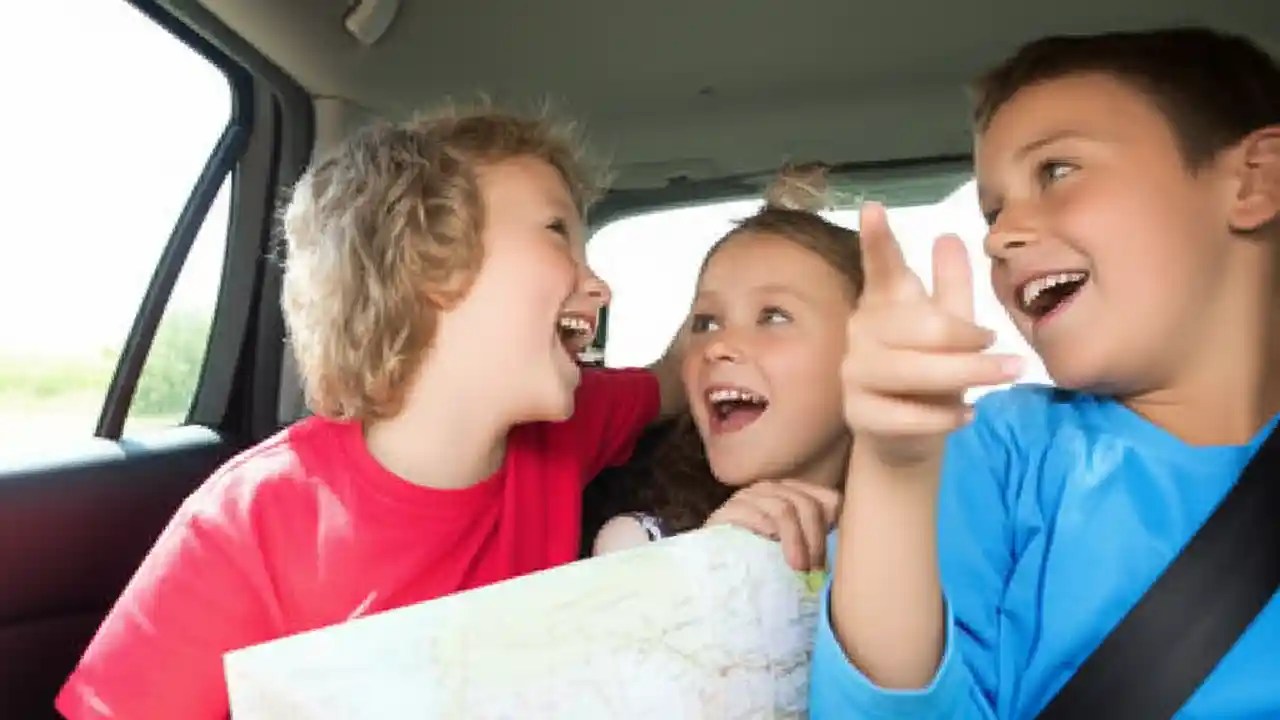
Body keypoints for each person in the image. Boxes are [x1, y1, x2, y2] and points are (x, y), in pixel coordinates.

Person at [56, 108, 683, 720]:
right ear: (429, 261)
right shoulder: (254, 521)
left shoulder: (566, 431)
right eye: (556, 231)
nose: (600, 286)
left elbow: (682, 375)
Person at [810, 27, 1280, 718]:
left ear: (1255, 180)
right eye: (992, 212)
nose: (1000, 237)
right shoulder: (999, 452)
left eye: (1056, 171)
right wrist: (894, 468)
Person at [593, 165, 851, 573]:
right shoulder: (639, 546)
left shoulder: (947, 526)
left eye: (774, 317)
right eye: (705, 323)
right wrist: (712, 566)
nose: (718, 346)